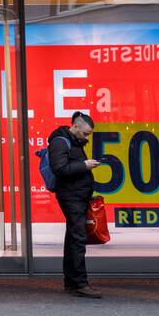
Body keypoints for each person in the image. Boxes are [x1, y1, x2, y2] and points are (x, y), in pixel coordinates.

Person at [48, 111, 103, 298]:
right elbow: (60, 168)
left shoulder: (73, 142)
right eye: (85, 133)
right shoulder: (60, 142)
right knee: (77, 238)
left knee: (73, 238)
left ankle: (72, 282)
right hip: (71, 197)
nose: (87, 137)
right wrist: (84, 166)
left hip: (77, 196)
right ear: (75, 126)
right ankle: (79, 283)